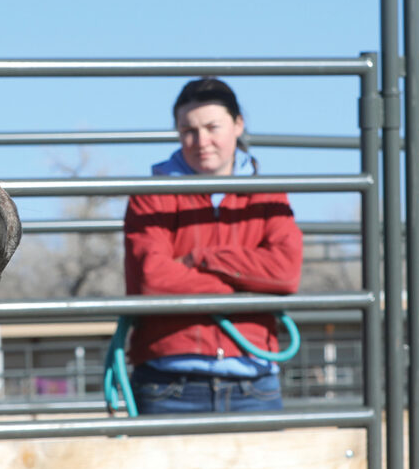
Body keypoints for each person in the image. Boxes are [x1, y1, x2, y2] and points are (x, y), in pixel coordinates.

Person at [121, 77, 302, 414]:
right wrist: (247, 289)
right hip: (169, 384)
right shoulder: (152, 194)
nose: (201, 141)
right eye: (188, 130)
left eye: (212, 127)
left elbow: (285, 272)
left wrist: (201, 258)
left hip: (255, 384)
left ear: (238, 125)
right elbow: (152, 280)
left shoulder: (269, 193)